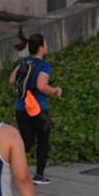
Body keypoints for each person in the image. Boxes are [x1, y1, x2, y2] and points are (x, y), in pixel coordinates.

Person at [8, 32, 62, 184]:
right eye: (45, 43)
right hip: (38, 109)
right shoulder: (44, 65)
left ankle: (5, 163)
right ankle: (39, 175)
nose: (47, 46)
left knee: (27, 141)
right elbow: (41, 86)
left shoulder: (23, 62)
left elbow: (12, 80)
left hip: (21, 107)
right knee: (43, 140)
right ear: (40, 48)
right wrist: (55, 90)